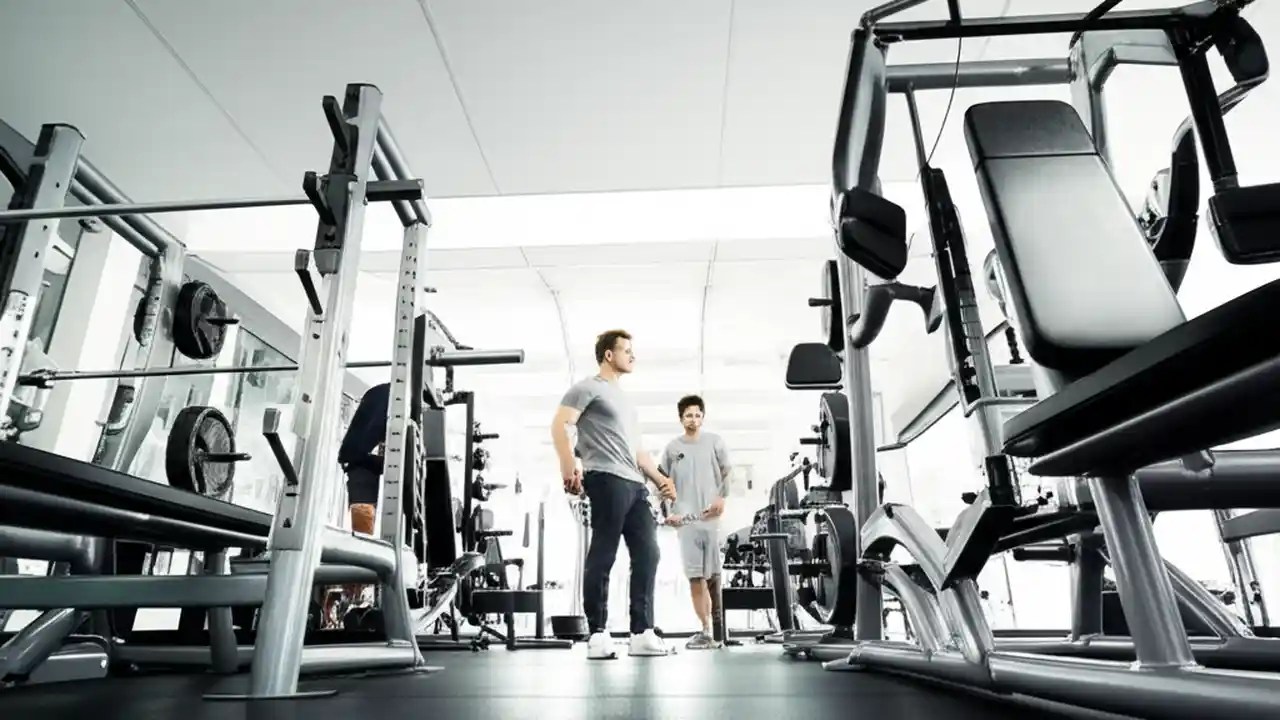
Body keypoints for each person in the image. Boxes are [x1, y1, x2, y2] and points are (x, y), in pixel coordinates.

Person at [551, 329, 676, 660]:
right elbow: (561, 424)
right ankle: (598, 634)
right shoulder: (588, 388)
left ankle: (641, 632)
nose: (632, 356)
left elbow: (638, 450)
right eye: (627, 350)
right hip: (605, 478)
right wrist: (569, 466)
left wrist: (661, 479)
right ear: (609, 354)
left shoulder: (624, 401)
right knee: (604, 552)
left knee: (649, 552)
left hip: (634, 484)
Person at [660, 395, 731, 649]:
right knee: (695, 577)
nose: (694, 419)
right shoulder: (672, 448)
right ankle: (705, 630)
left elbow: (727, 472)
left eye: (698, 414)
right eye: (689, 415)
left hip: (710, 520)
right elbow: (661, 482)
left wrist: (721, 497)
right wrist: (668, 511)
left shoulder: (715, 442)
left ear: (703, 416)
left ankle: (720, 631)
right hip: (686, 522)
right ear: (681, 419)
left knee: (713, 577)